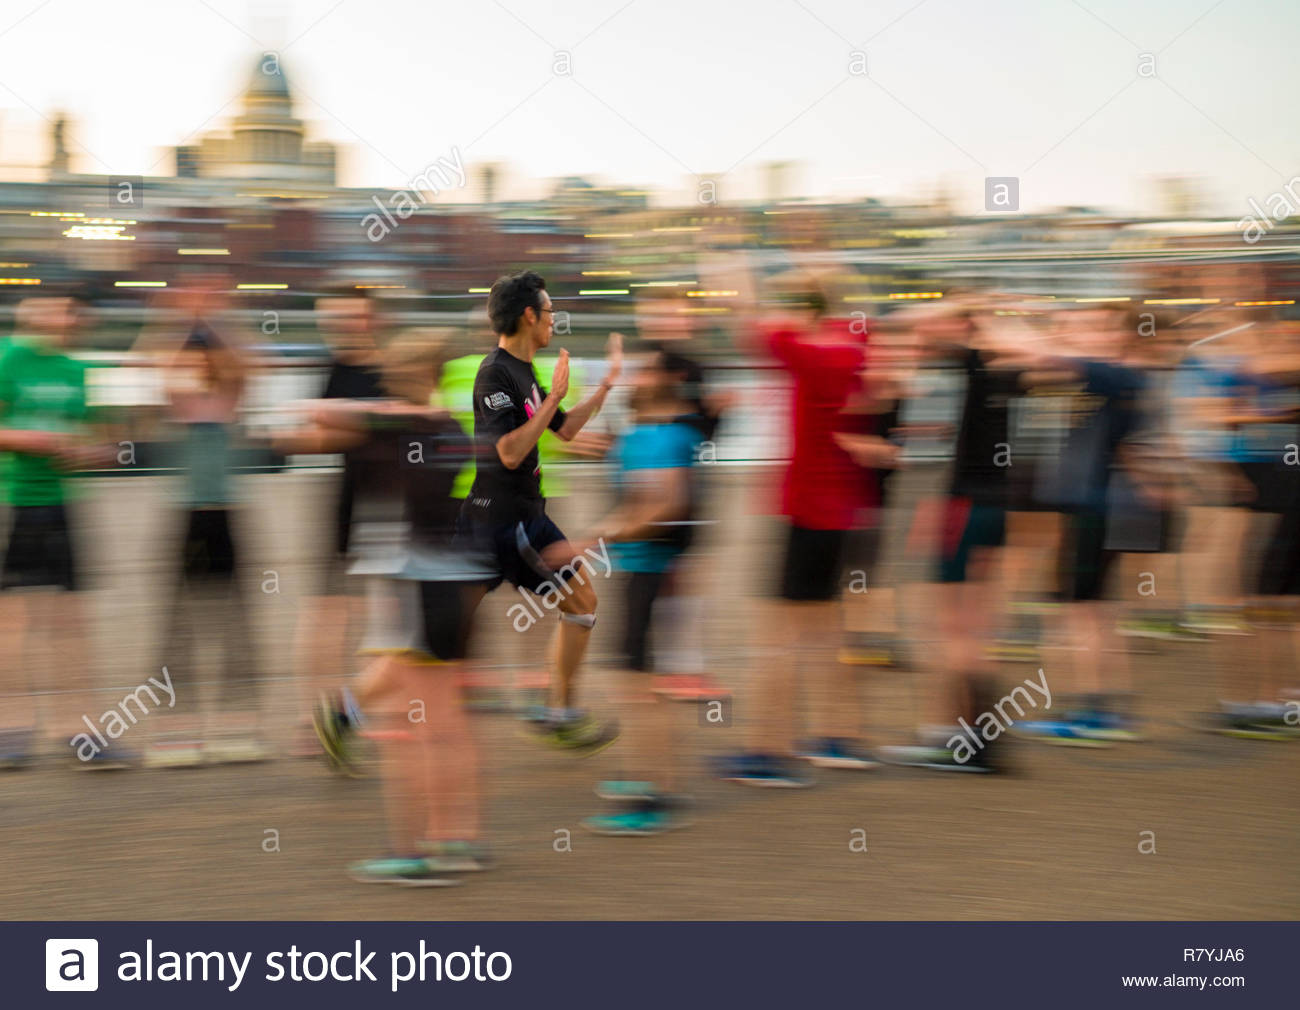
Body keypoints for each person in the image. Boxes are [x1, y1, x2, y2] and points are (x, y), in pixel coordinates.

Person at [309, 330, 494, 884]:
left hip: (413, 585)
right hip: (460, 583)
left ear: (392, 373)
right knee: (451, 726)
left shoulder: (384, 432)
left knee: (410, 727)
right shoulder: (453, 430)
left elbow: (314, 416)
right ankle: (460, 838)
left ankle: (417, 854)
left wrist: (377, 408)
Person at [715, 269, 898, 786]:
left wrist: (727, 268)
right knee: (825, 635)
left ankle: (769, 753)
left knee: (777, 638)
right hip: (845, 510)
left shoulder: (809, 353)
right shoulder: (854, 348)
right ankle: (841, 739)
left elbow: (750, 324)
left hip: (808, 512)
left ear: (801, 310)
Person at [455, 270, 622, 750]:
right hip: (506, 521)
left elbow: (563, 430)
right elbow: (508, 452)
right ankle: (559, 711)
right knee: (443, 628)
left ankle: (559, 710)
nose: (554, 322)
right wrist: (552, 398)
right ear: (529, 316)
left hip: (518, 515)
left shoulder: (524, 371)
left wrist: (606, 387)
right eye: (551, 313)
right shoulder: (495, 374)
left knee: (581, 604)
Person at [580, 348, 700, 835]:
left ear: (669, 380)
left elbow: (665, 506)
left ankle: (650, 796)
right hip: (641, 570)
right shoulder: (640, 435)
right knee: (638, 678)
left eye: (647, 370)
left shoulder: (668, 437)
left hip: (653, 570)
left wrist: (593, 539)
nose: (638, 376)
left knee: (635, 683)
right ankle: (655, 782)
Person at [0, 295, 114, 767]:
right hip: (15, 503)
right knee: (13, 622)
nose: (66, 319)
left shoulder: (79, 370)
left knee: (71, 624)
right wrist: (36, 441)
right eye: (54, 309)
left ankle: (76, 730)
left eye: (72, 311)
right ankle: (10, 729)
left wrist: (87, 452)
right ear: (30, 313)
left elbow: (107, 443)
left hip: (63, 505)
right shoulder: (8, 358)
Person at [149, 321, 264, 766]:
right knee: (178, 628)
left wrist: (216, 320)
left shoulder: (229, 400)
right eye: (193, 355)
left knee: (237, 625)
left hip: (226, 516)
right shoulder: (179, 402)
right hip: (186, 520)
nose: (201, 361)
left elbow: (244, 365)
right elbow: (161, 362)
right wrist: (178, 317)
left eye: (207, 355)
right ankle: (174, 733)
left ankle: (240, 728)